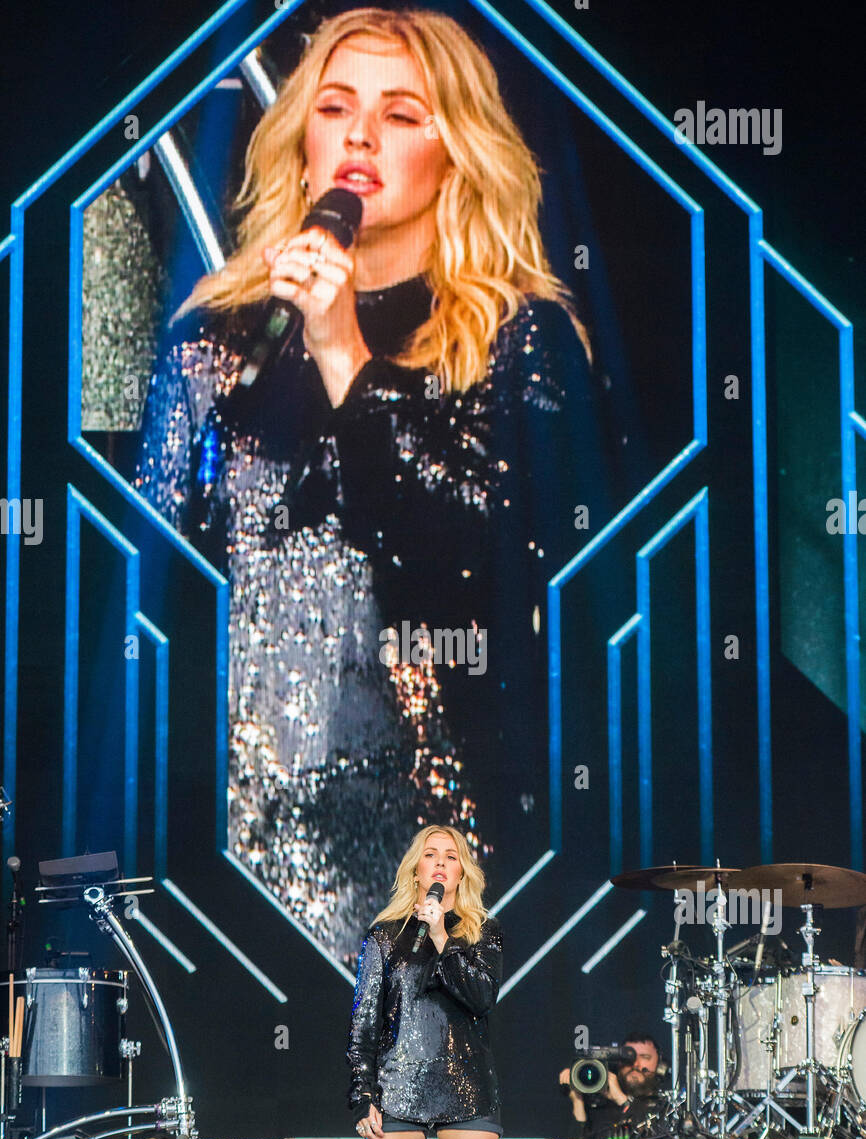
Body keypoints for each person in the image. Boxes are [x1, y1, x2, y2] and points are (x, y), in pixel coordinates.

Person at [136, 7, 602, 969]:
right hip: (233, 855)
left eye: (400, 115)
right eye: (336, 107)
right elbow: (146, 596)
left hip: (431, 855)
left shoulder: (517, 344)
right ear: (299, 138)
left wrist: (344, 350)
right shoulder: (214, 343)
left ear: (457, 152)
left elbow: (467, 577)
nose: (358, 136)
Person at [347, 825, 503, 1139]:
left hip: (467, 1086)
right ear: (416, 870)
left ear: (461, 873)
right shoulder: (383, 937)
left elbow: (480, 997)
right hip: (399, 1087)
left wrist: (441, 934)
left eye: (450, 856)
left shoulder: (483, 933)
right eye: (430, 855)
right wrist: (364, 1095)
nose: (440, 863)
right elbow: (364, 1023)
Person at [558, 1033, 663, 1139]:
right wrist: (578, 1100)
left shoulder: (664, 1105)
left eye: (645, 1057)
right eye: (628, 1057)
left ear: (659, 1063)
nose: (635, 1064)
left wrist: (622, 1101)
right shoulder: (601, 1105)